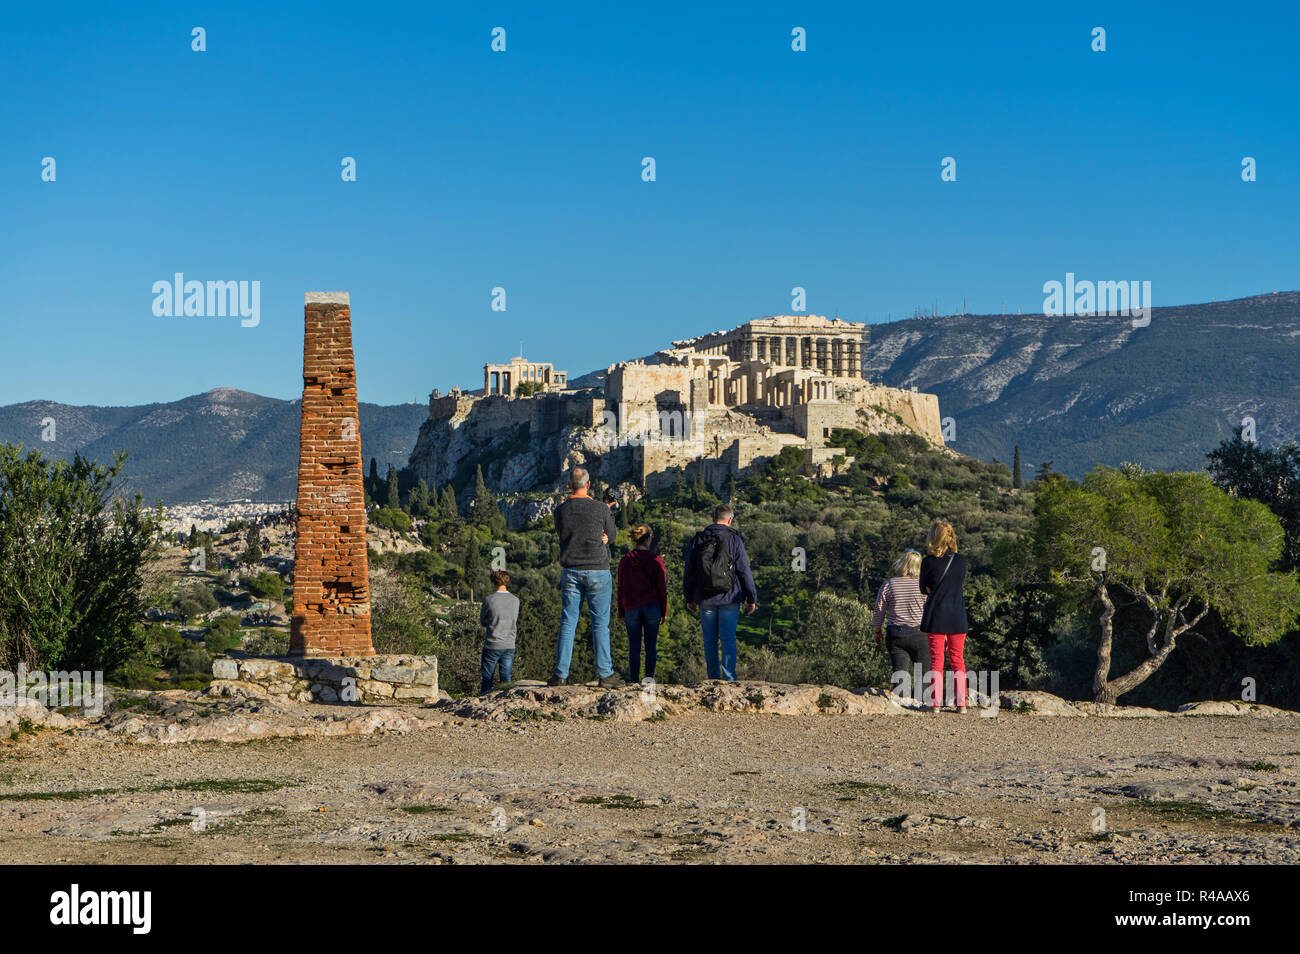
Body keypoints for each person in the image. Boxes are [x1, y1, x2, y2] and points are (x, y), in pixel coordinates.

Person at [551, 466, 624, 688]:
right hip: (598, 570)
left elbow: (562, 535)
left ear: (568, 486)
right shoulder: (601, 509)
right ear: (589, 484)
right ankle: (605, 674)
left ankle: (560, 675)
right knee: (600, 624)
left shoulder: (560, 510)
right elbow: (611, 536)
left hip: (572, 569)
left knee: (568, 622)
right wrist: (602, 534)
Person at [684, 504, 758, 682]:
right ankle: (729, 678)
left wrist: (689, 597)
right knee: (728, 639)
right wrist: (751, 597)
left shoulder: (699, 538)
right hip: (729, 597)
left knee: (709, 641)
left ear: (712, 517)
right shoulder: (734, 539)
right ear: (730, 519)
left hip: (705, 597)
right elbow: (744, 570)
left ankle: (712, 679)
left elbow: (690, 571)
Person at [919, 519, 969, 713]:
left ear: (933, 537)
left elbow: (923, 588)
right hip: (957, 614)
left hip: (936, 615)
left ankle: (935, 703)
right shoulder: (961, 561)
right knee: (958, 659)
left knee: (936, 660)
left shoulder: (928, 562)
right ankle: (961, 703)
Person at [871, 548, 929, 702]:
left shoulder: (889, 584)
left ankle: (900, 704)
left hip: (896, 633)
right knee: (923, 673)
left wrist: (877, 630)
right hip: (920, 634)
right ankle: (920, 704)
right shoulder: (924, 586)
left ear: (902, 563)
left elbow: (879, 610)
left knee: (900, 672)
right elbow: (932, 610)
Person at [617, 524, 667, 682]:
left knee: (634, 648)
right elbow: (662, 588)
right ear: (648, 539)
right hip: (652, 606)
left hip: (631, 607)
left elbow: (621, 587)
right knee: (651, 647)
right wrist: (664, 611)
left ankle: (633, 680)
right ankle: (649, 680)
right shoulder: (656, 560)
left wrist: (621, 611)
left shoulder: (625, 561)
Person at [479, 569, 519, 694]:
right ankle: (508, 702)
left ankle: (483, 702)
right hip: (509, 643)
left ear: (493, 581)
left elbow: (483, 621)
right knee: (506, 678)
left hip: (492, 643)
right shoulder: (515, 600)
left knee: (487, 678)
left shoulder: (489, 600)